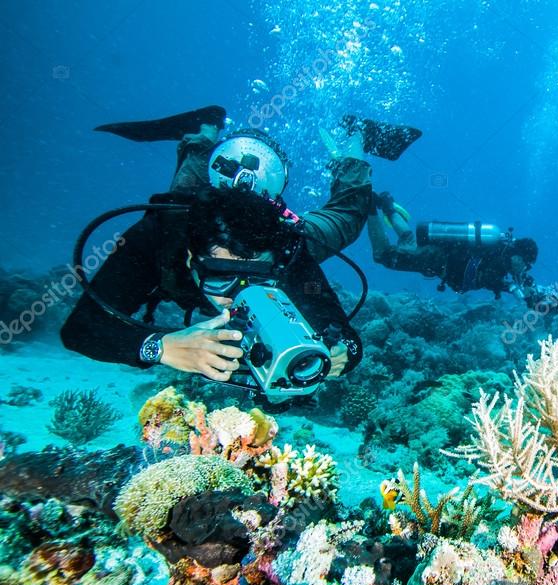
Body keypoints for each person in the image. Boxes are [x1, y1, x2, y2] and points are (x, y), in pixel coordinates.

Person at [61, 108, 419, 383]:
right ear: (191, 257)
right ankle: (203, 130)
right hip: (183, 218)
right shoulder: (157, 237)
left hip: (284, 232)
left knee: (348, 216)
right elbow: (80, 329)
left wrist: (343, 351)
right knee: (184, 189)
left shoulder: (289, 247)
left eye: (255, 276)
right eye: (221, 276)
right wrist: (160, 346)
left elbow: (341, 329)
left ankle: (355, 141)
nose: (238, 295)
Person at [368, 192, 558, 317]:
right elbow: (521, 295)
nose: (524, 269)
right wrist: (529, 297)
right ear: (517, 255)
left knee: (408, 240)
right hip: (435, 258)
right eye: (524, 263)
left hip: (437, 259)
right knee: (384, 256)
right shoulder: (498, 262)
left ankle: (387, 205)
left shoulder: (505, 260)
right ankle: (368, 205)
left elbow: (526, 289)